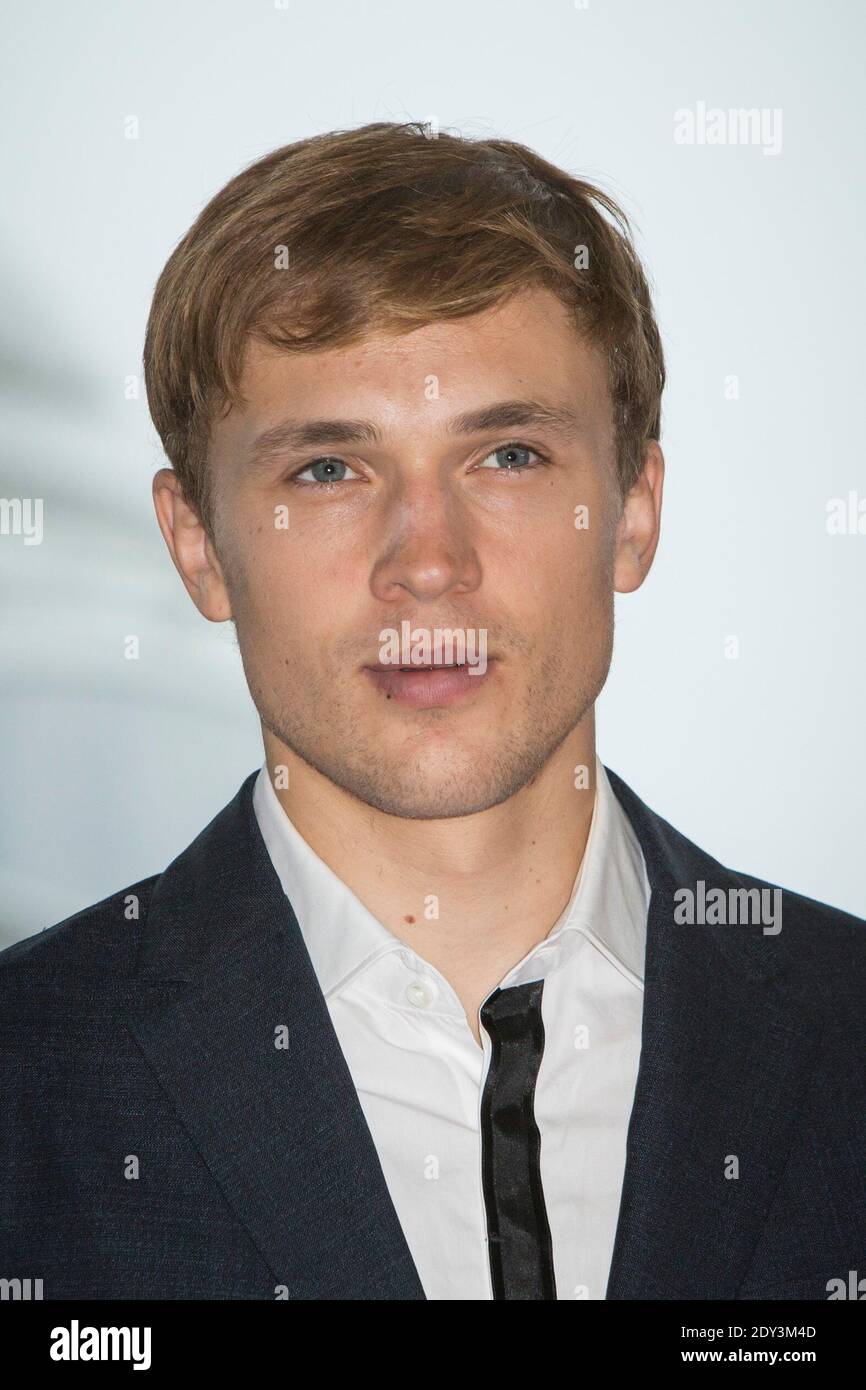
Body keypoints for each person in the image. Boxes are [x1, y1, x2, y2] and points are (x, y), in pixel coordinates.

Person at [2, 122, 864, 1301]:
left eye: (506, 455)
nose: (426, 562)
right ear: (195, 546)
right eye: (327, 470)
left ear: (630, 513)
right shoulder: (23, 1079)